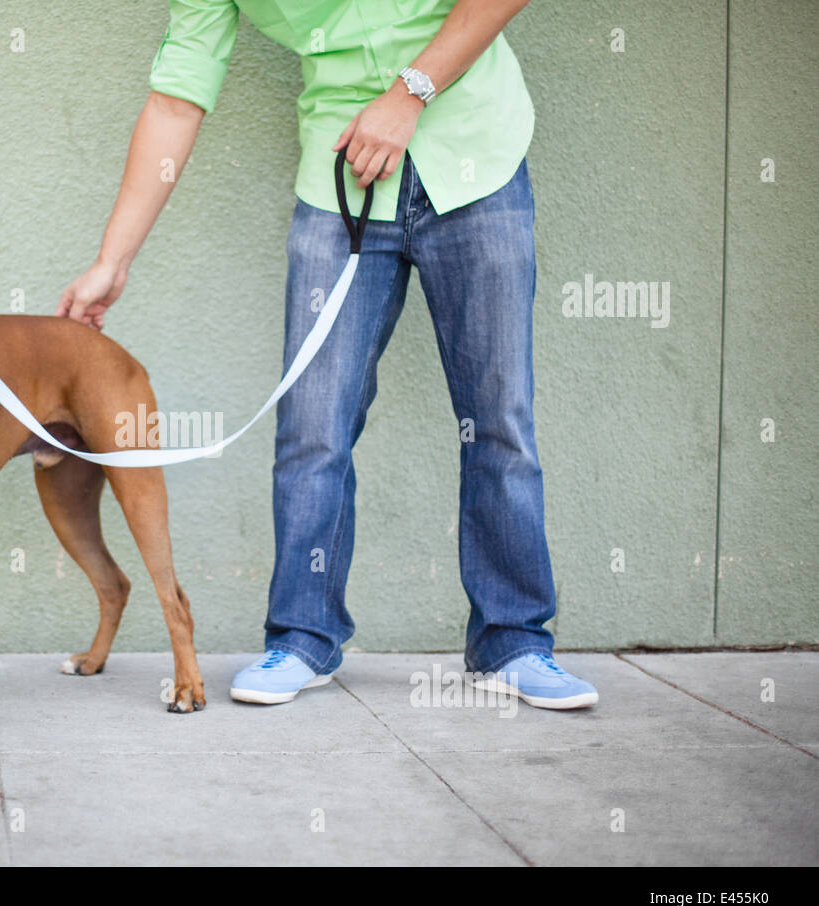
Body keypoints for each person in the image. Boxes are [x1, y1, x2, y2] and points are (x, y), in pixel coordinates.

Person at [56, 0, 598, 711]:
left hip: (476, 158)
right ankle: (303, 635)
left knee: (499, 419)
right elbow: (177, 97)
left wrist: (410, 93)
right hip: (342, 181)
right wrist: (113, 259)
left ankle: (515, 640)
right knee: (312, 426)